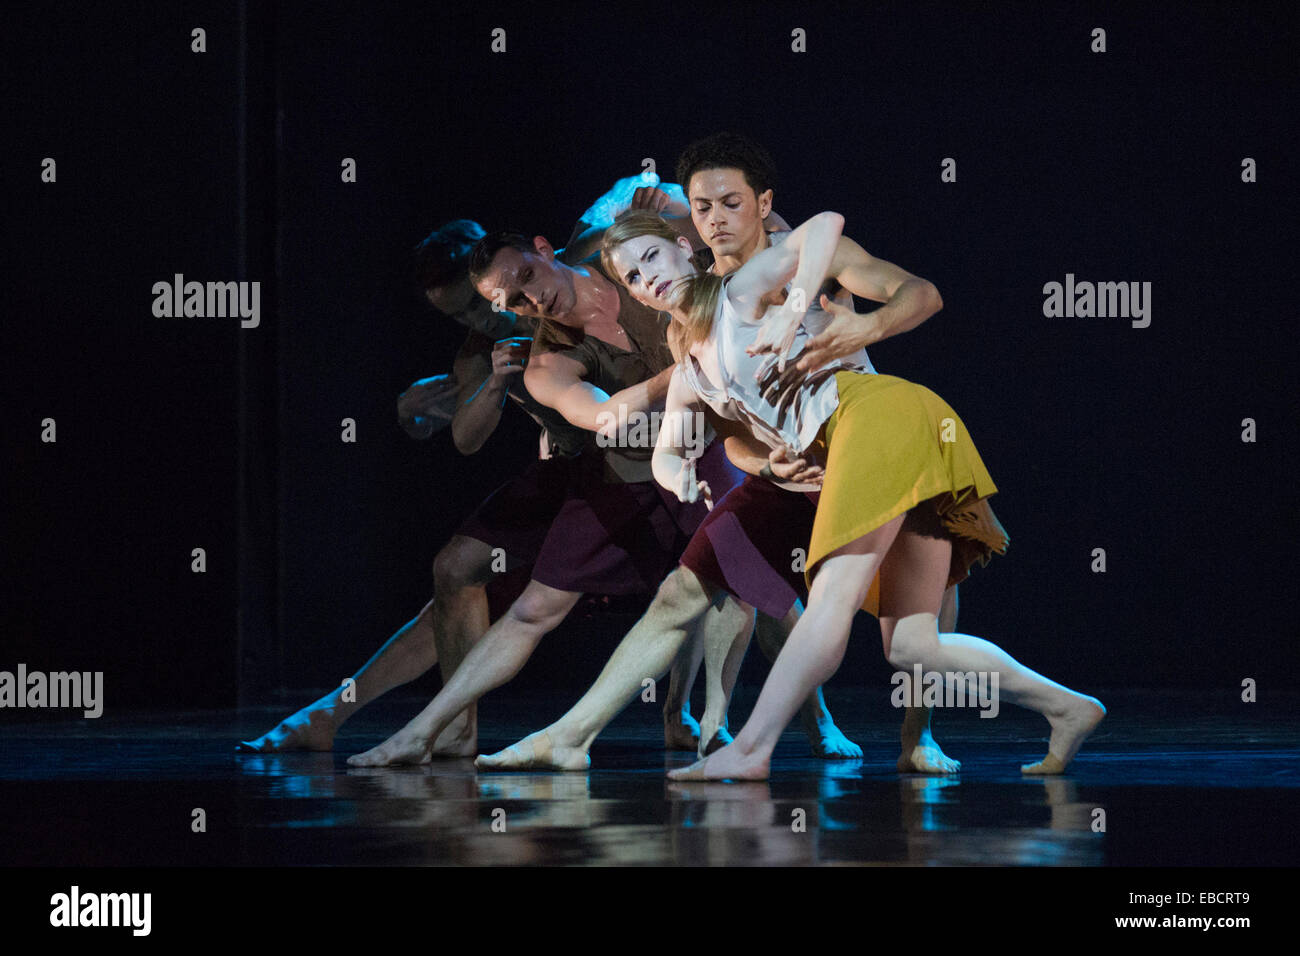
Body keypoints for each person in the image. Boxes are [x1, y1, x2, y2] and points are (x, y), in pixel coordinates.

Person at [477, 134, 956, 773]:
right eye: (701, 208)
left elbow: (921, 293)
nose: (714, 220)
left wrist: (864, 326)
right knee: (687, 588)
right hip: (793, 470)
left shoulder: (804, 258)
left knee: (919, 619)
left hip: (869, 449)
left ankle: (917, 737)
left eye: (728, 203)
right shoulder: (695, 315)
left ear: (763, 203)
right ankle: (573, 734)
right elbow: (726, 431)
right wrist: (761, 465)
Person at [602, 207, 1106, 779]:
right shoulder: (690, 369)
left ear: (680, 246)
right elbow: (670, 446)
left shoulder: (736, 290)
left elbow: (823, 225)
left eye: (652, 257)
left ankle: (751, 751)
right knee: (913, 644)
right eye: (634, 278)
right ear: (635, 298)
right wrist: (678, 475)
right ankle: (1068, 708)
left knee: (831, 603)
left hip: (871, 417)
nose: (650, 277)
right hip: (900, 430)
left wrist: (793, 310)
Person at [237, 217, 714, 754]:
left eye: (478, 300)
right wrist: (482, 386)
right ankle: (396, 720)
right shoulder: (492, 351)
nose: (490, 313)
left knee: (702, 567)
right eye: (469, 310)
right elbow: (467, 437)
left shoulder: (581, 263)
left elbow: (649, 225)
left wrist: (669, 204)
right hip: (585, 465)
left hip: (666, 445)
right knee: (461, 570)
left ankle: (682, 712)